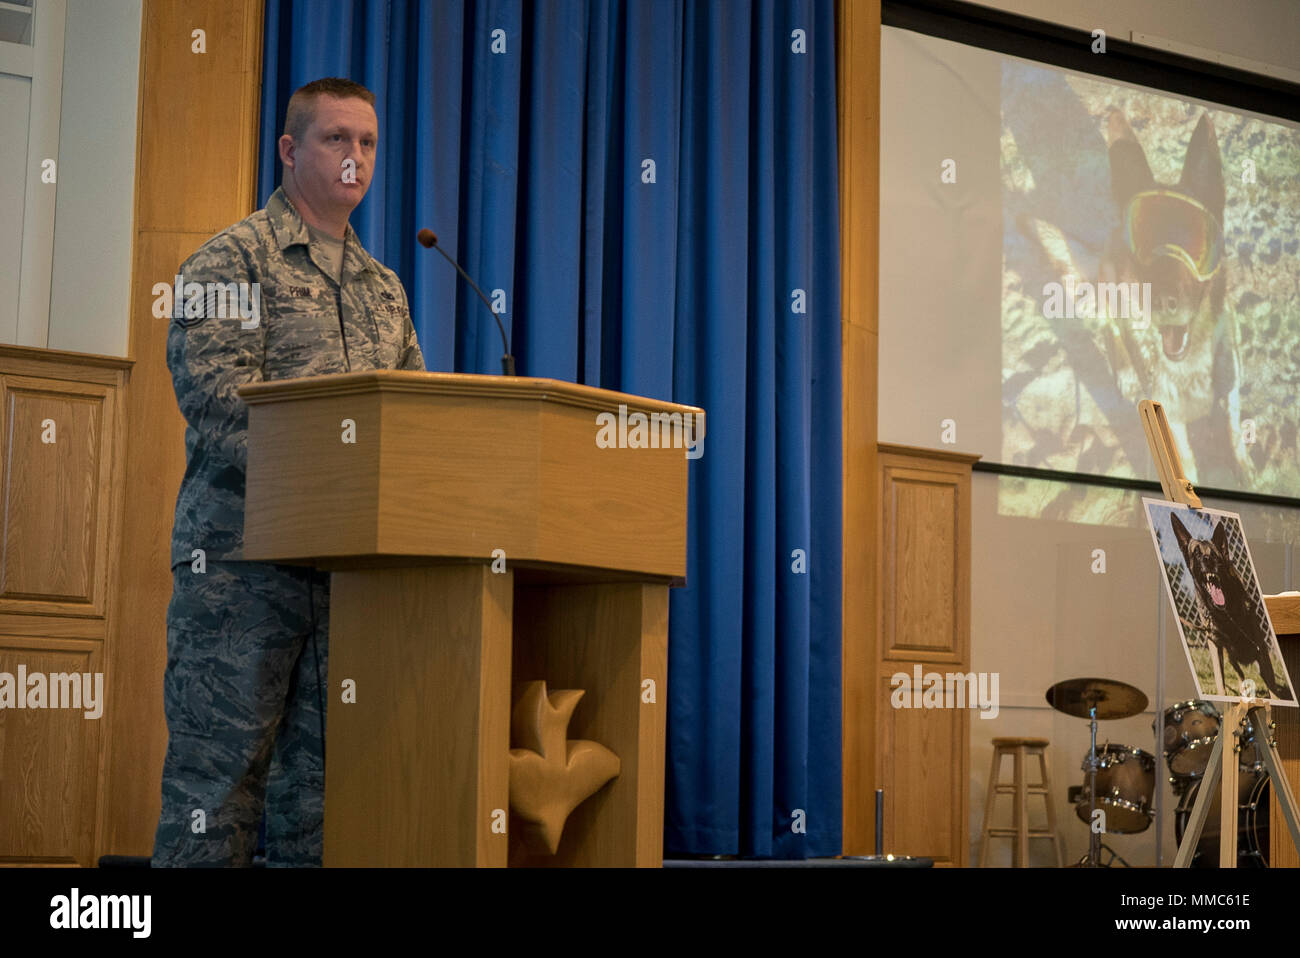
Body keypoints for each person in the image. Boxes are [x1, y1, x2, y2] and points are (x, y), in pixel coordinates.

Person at [152, 77, 424, 867]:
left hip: (353, 581)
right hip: (243, 572)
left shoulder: (385, 288)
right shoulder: (232, 260)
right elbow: (216, 399)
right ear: (290, 149)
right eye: (337, 138)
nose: (356, 157)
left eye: (368, 142)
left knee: (329, 797)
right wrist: (339, 464)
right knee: (218, 788)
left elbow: (411, 422)